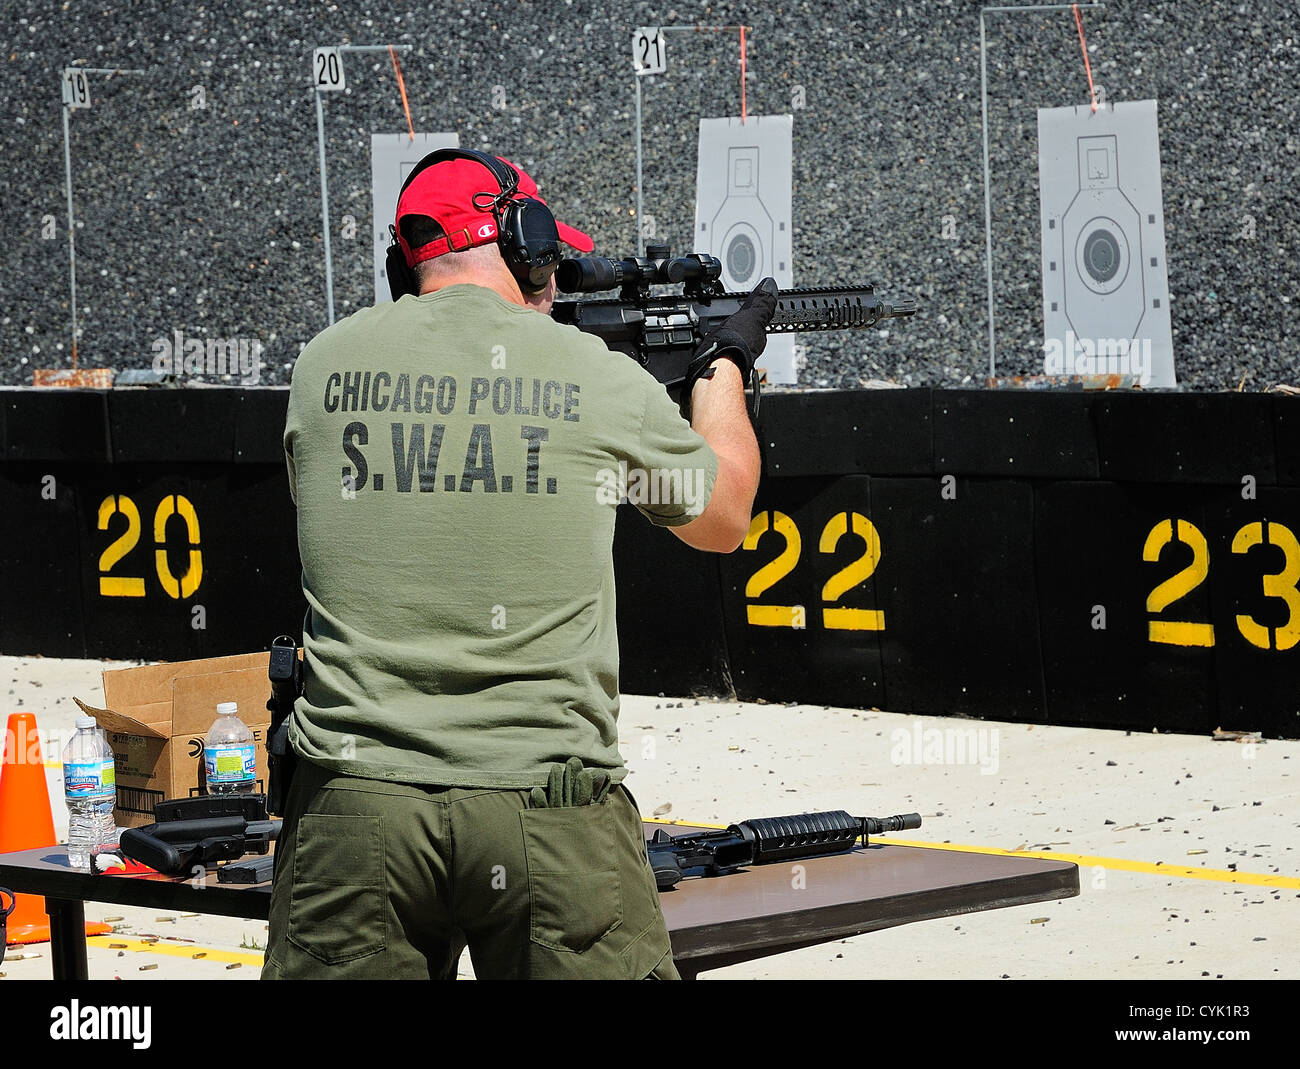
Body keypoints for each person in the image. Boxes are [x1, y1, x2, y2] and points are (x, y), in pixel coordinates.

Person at [262, 148, 774, 980]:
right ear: (523, 240)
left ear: (405, 262)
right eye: (548, 260)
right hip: (551, 809)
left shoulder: (320, 369)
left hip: (354, 810)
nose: (557, 280)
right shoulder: (594, 377)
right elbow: (725, 516)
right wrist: (721, 372)